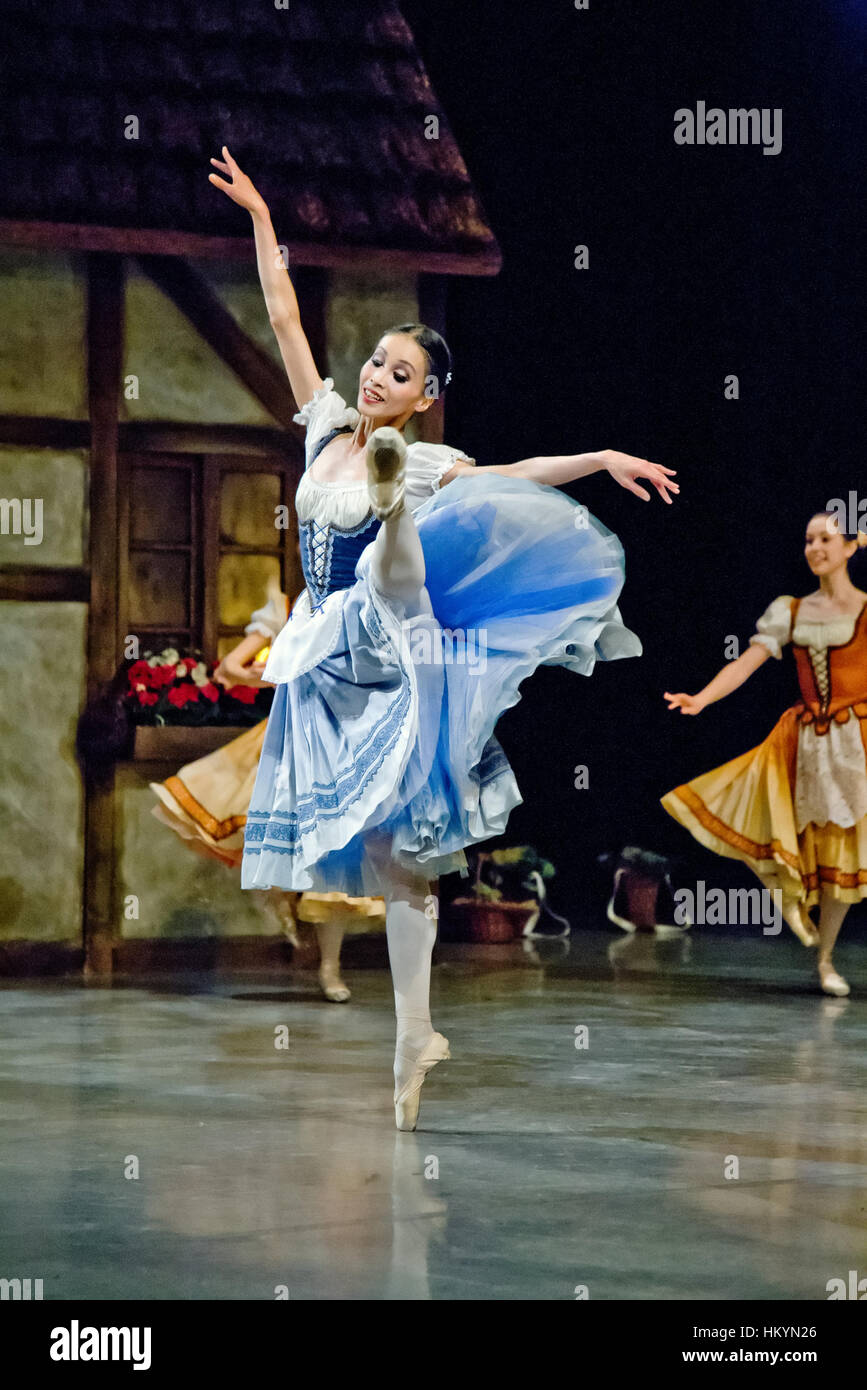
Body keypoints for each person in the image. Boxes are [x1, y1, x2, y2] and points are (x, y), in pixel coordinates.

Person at [209, 145, 677, 1129]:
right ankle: (415, 1028)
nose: (378, 375)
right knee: (382, 861)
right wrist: (259, 217)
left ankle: (415, 1028)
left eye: (401, 371)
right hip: (321, 655)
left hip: (379, 647)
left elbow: (516, 472)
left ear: (424, 395)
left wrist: (599, 457)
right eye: (378, 360)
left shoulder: (420, 458)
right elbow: (284, 312)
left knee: (403, 841)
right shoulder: (324, 427)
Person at [149, 580, 386, 1003]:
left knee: (330, 856)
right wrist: (277, 677)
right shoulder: (289, 606)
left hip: (337, 741)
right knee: (274, 833)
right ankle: (283, 907)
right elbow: (230, 669)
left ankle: (329, 965)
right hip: (289, 737)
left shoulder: (356, 603)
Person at [662, 511, 867, 997]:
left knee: (843, 851)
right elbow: (747, 662)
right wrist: (702, 698)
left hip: (855, 742)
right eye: (808, 539)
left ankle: (824, 960)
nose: (814, 547)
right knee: (758, 817)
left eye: (825, 539)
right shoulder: (791, 611)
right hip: (802, 741)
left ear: (849, 548)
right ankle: (790, 896)